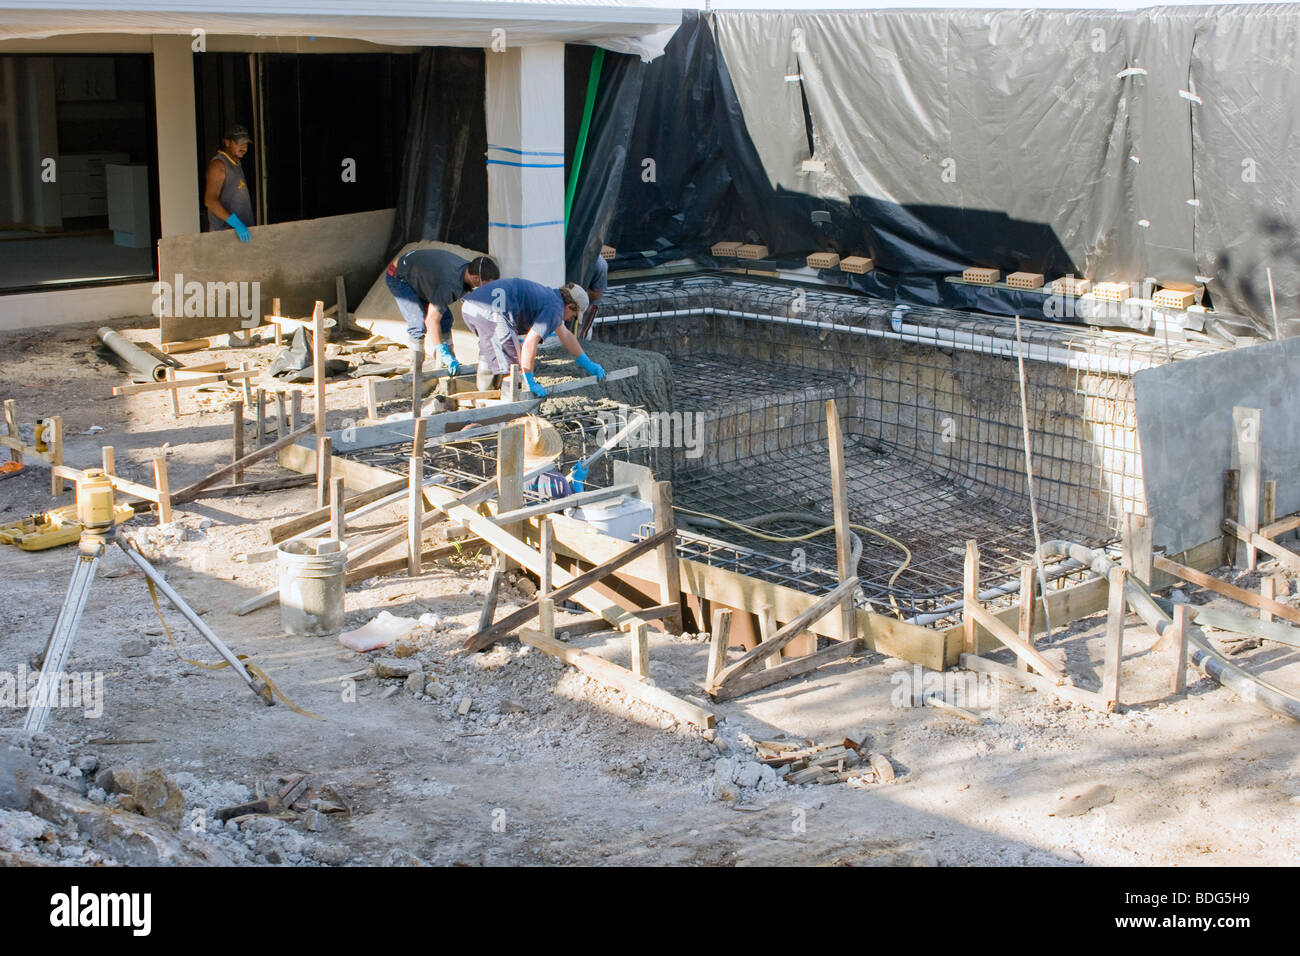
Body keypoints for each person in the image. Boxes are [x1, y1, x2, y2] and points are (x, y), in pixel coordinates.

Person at [460, 278, 606, 396]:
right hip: (491, 312)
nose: (569, 320)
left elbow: (566, 335)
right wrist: (528, 377)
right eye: (573, 316)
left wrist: (585, 361)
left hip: (470, 308)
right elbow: (530, 342)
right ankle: (507, 404)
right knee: (514, 366)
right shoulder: (555, 309)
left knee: (494, 349)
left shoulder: (551, 298)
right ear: (569, 306)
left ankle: (487, 391)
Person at [384, 249, 499, 374]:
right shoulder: (450, 284)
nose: (487, 289)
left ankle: (443, 367)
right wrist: (442, 351)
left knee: (446, 319)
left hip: (421, 273)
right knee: (418, 323)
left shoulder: (470, 269)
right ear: (476, 278)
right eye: (486, 285)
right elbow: (431, 321)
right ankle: (415, 371)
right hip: (400, 276)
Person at [204, 124, 255, 241]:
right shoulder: (219, 165)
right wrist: (236, 224)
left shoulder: (236, 163)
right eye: (239, 144)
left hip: (240, 236)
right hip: (225, 236)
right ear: (227, 142)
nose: (244, 148)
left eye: (246, 144)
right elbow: (210, 201)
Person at [576, 254, 608, 339]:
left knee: (580, 336)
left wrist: (576, 291)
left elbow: (596, 294)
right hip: (567, 301)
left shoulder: (599, 264)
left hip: (587, 306)